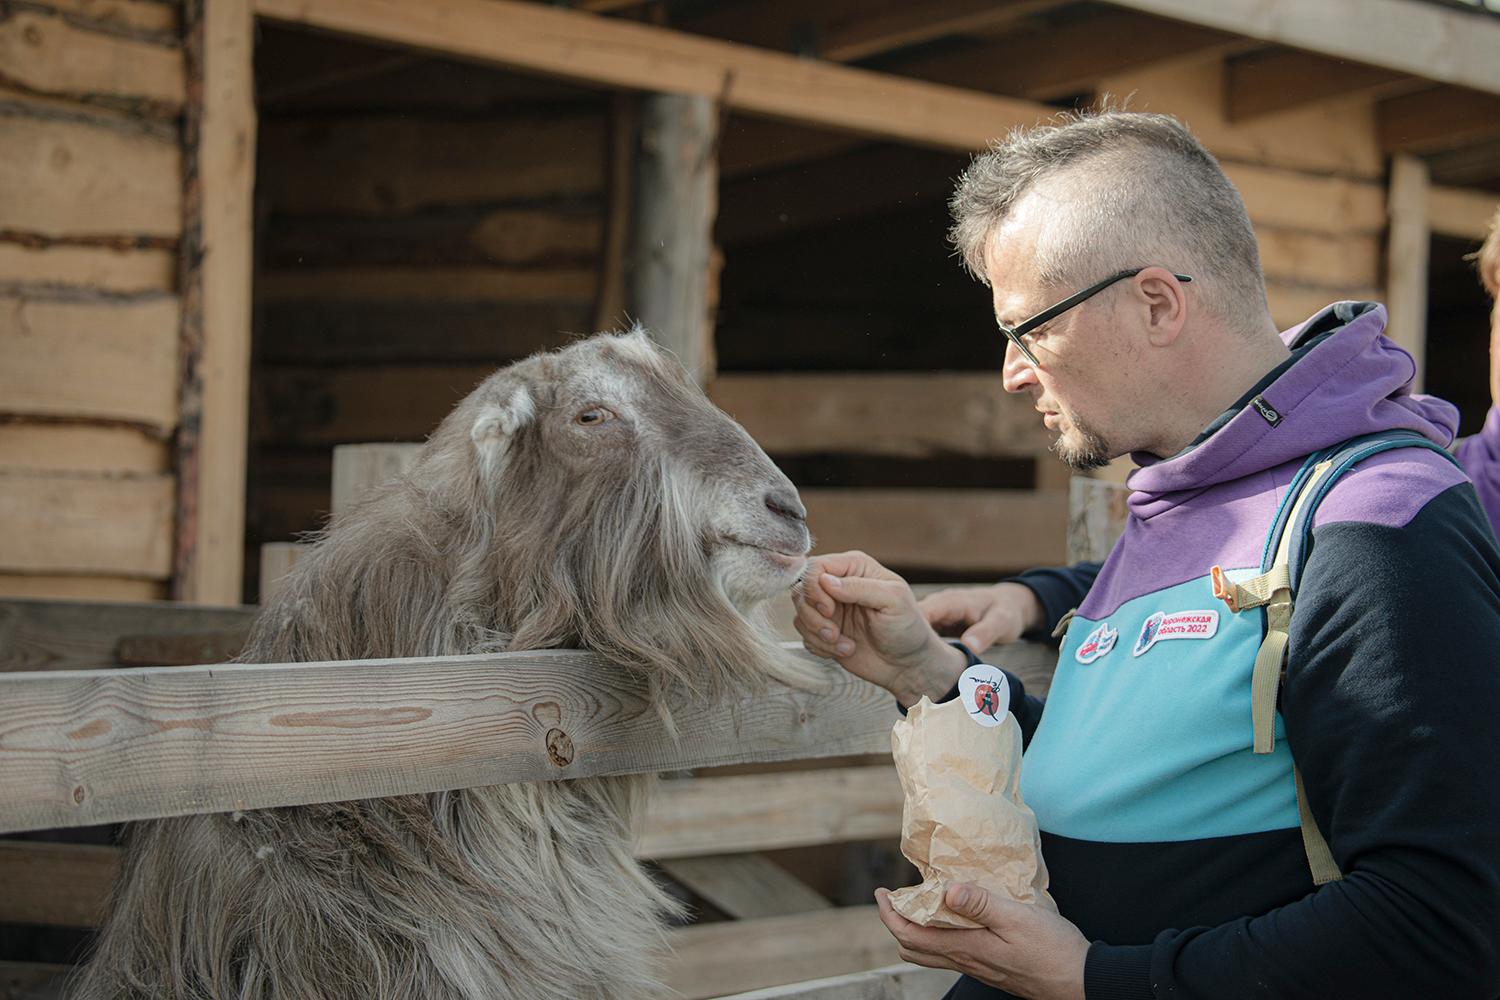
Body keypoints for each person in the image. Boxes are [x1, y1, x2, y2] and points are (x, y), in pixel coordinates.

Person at [792, 111, 1500, 1000]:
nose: (1012, 372)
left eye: (1029, 329)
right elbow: (1124, 783)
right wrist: (930, 671)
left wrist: (1093, 979)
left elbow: (1437, 926)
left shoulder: (1372, 522)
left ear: (1156, 303)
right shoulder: (1176, 492)